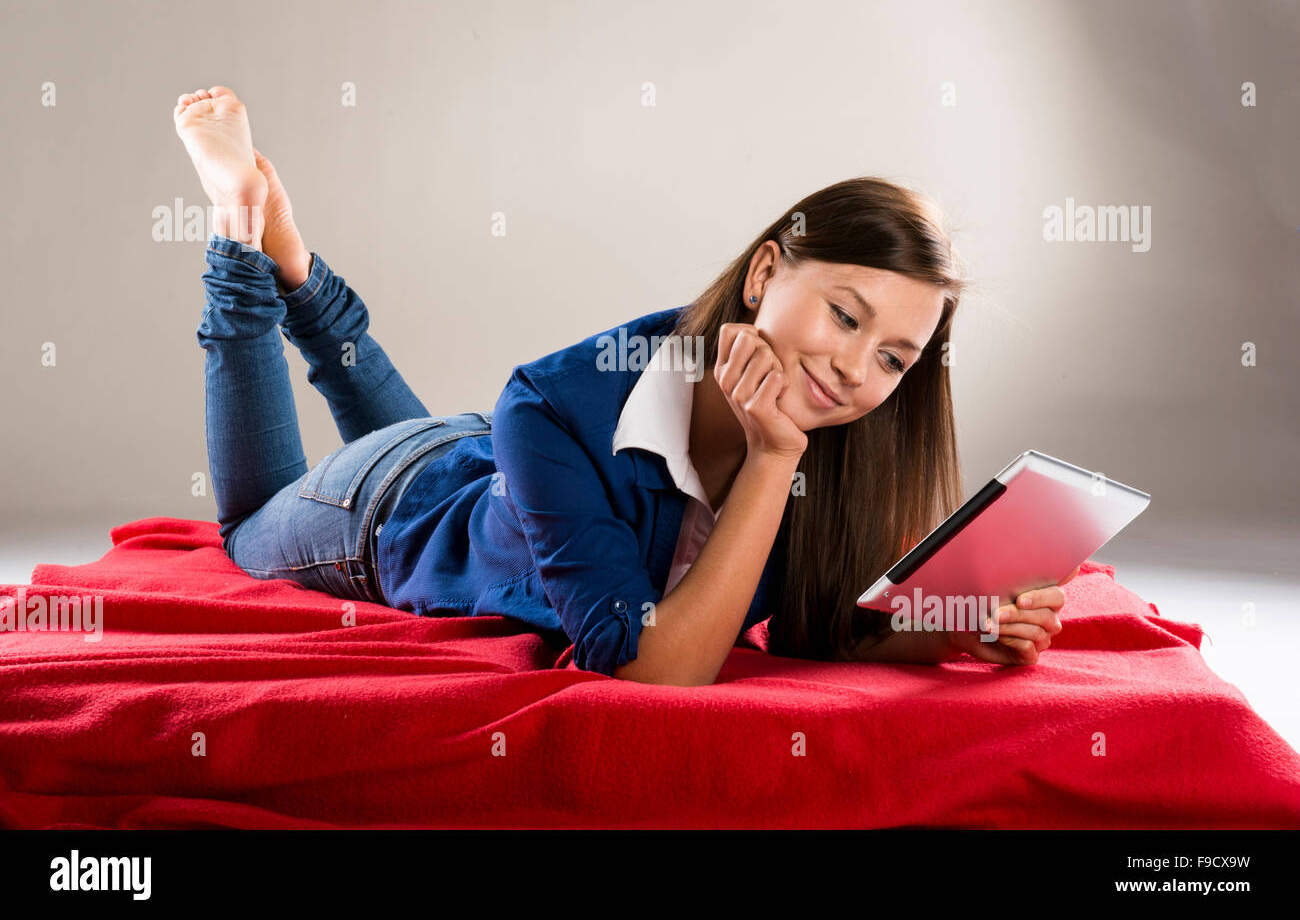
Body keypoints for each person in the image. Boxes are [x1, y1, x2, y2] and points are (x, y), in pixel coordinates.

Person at [176, 85, 1068, 687]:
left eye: (893, 358)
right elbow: (651, 672)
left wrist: (956, 625)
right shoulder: (559, 401)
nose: (852, 367)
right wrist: (768, 459)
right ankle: (242, 230)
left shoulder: (836, 436)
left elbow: (812, 626)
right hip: (379, 511)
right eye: (845, 315)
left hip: (482, 462)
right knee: (247, 522)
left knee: (454, 453)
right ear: (765, 274)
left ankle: (300, 269)